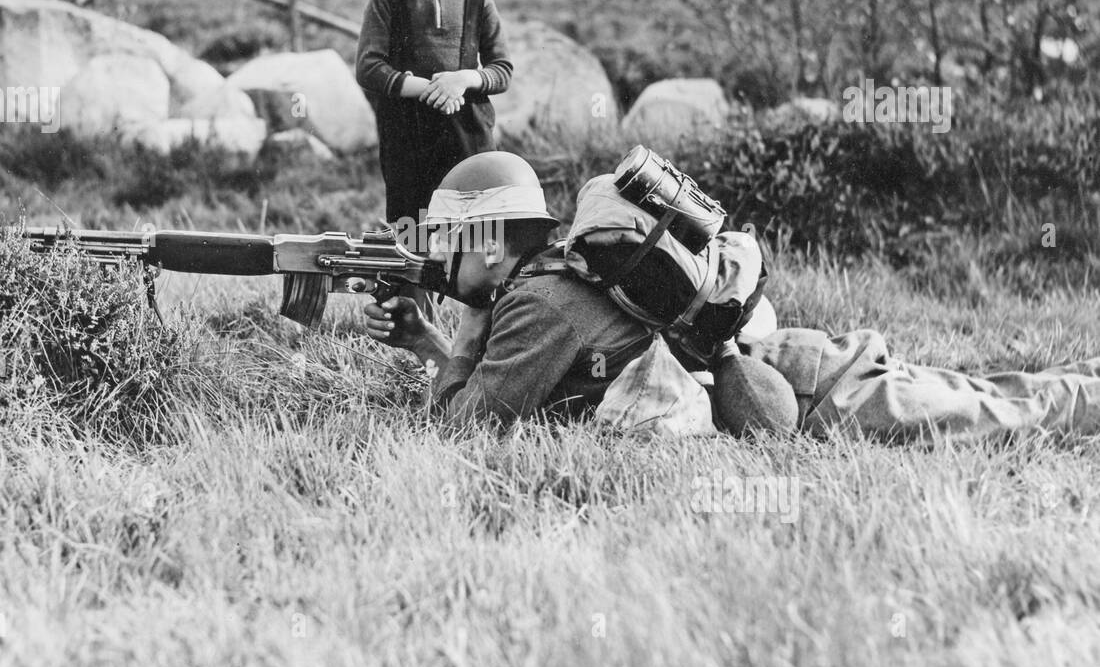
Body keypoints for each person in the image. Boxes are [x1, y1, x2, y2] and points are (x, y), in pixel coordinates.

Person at [364, 150, 1100, 441]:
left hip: (817, 393)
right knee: (999, 395)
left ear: (490, 245)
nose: (434, 254)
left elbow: (461, 429)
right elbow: (503, 391)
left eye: (447, 239)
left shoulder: (535, 304)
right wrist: (429, 342)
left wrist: (458, 330)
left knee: (1010, 412)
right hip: (792, 367)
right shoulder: (550, 279)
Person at [355, 0, 513, 310]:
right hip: (409, 143)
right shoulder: (385, 1)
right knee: (413, 237)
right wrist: (427, 88)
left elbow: (502, 70)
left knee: (478, 236)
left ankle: (481, 327)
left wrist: (464, 79)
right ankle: (413, 325)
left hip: (469, 141)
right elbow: (369, 67)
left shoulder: (479, 4)